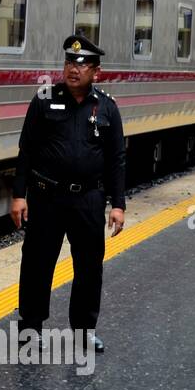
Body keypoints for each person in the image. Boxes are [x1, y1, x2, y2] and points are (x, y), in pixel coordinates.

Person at [10, 34, 126, 354]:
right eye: (69, 62)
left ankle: (84, 330)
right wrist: (19, 195)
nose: (74, 69)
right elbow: (26, 151)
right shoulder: (44, 99)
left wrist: (118, 204)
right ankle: (30, 327)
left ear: (96, 71)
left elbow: (116, 159)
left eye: (82, 64)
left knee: (89, 266)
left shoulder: (107, 107)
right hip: (46, 197)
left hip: (88, 199)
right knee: (36, 263)